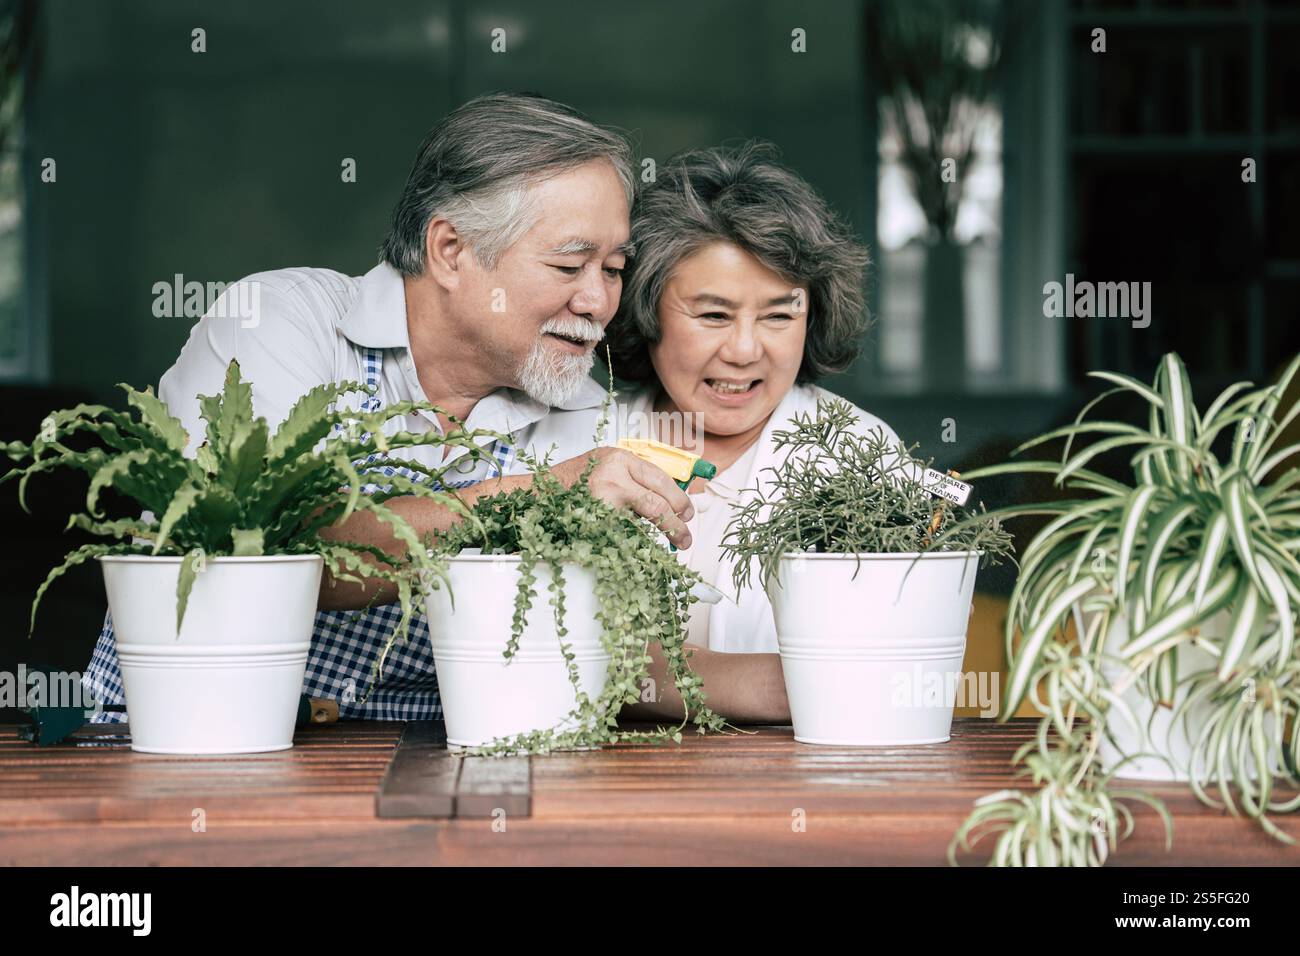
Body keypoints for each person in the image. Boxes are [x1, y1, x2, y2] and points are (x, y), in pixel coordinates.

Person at [83, 92, 697, 722]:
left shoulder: (584, 415)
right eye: (569, 265)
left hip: (429, 774)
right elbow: (261, 555)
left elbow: (589, 657)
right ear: (450, 250)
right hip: (189, 741)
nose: (597, 300)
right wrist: (531, 497)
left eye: (615, 268)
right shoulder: (279, 324)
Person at [604, 142, 900, 723]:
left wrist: (641, 669)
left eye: (778, 315)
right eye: (713, 315)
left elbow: (877, 675)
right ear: (646, 310)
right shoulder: (566, 438)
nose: (743, 351)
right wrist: (751, 682)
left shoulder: (863, 455)